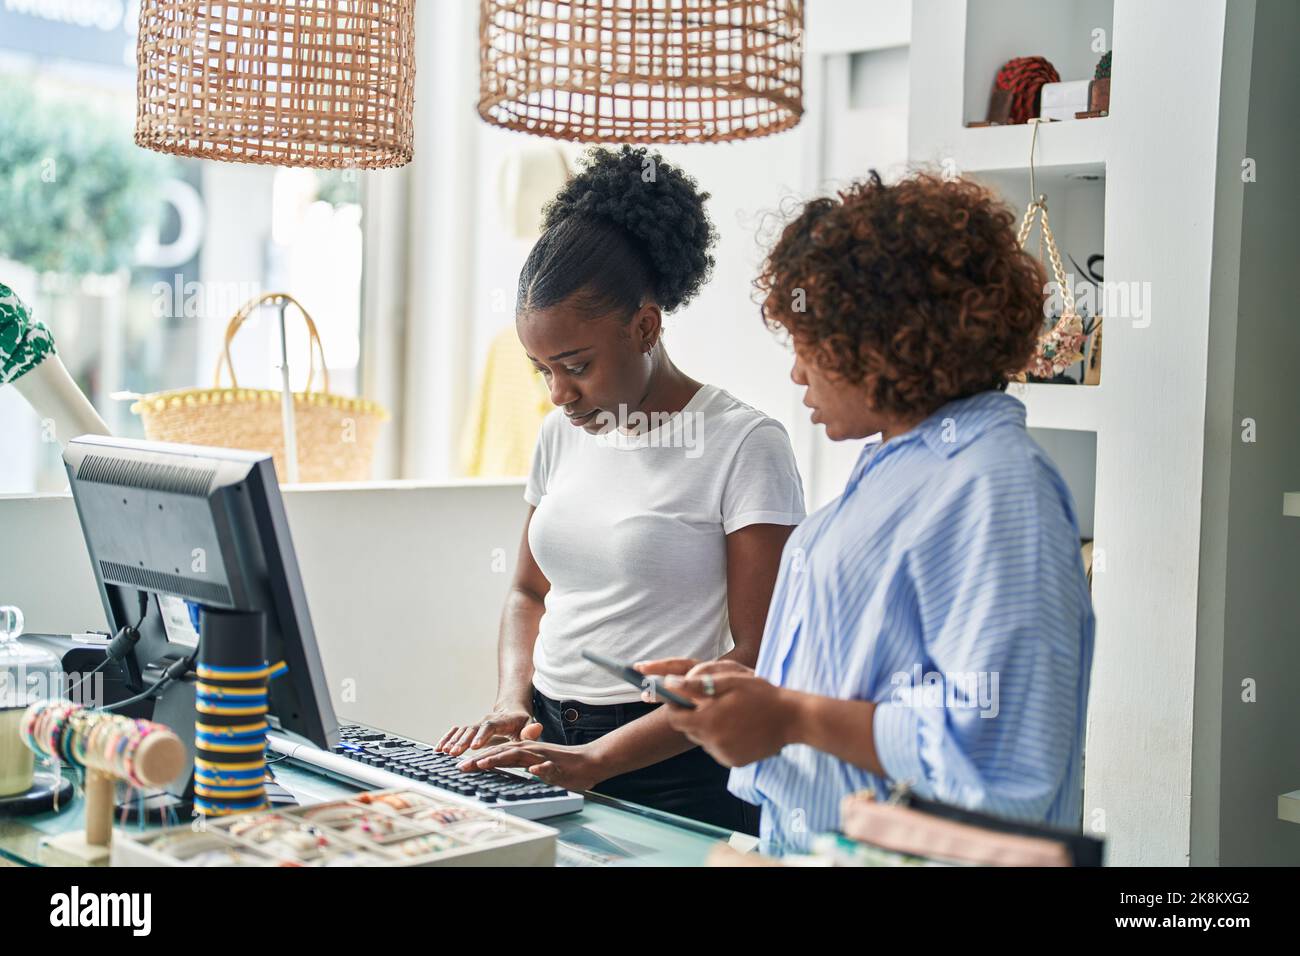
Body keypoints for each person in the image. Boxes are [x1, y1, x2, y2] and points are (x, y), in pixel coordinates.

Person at [639, 171, 1095, 853]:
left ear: (878, 336)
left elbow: (1002, 751)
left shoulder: (995, 487)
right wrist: (755, 692)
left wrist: (791, 714)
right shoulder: (900, 465)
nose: (797, 375)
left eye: (807, 345)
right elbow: (883, 676)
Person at [437, 146, 806, 834]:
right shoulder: (560, 435)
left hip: (672, 760)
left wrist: (604, 757)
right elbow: (528, 592)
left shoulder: (745, 444)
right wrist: (508, 701)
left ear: (644, 325)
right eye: (541, 368)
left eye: (575, 365)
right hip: (547, 739)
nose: (558, 394)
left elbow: (761, 654)